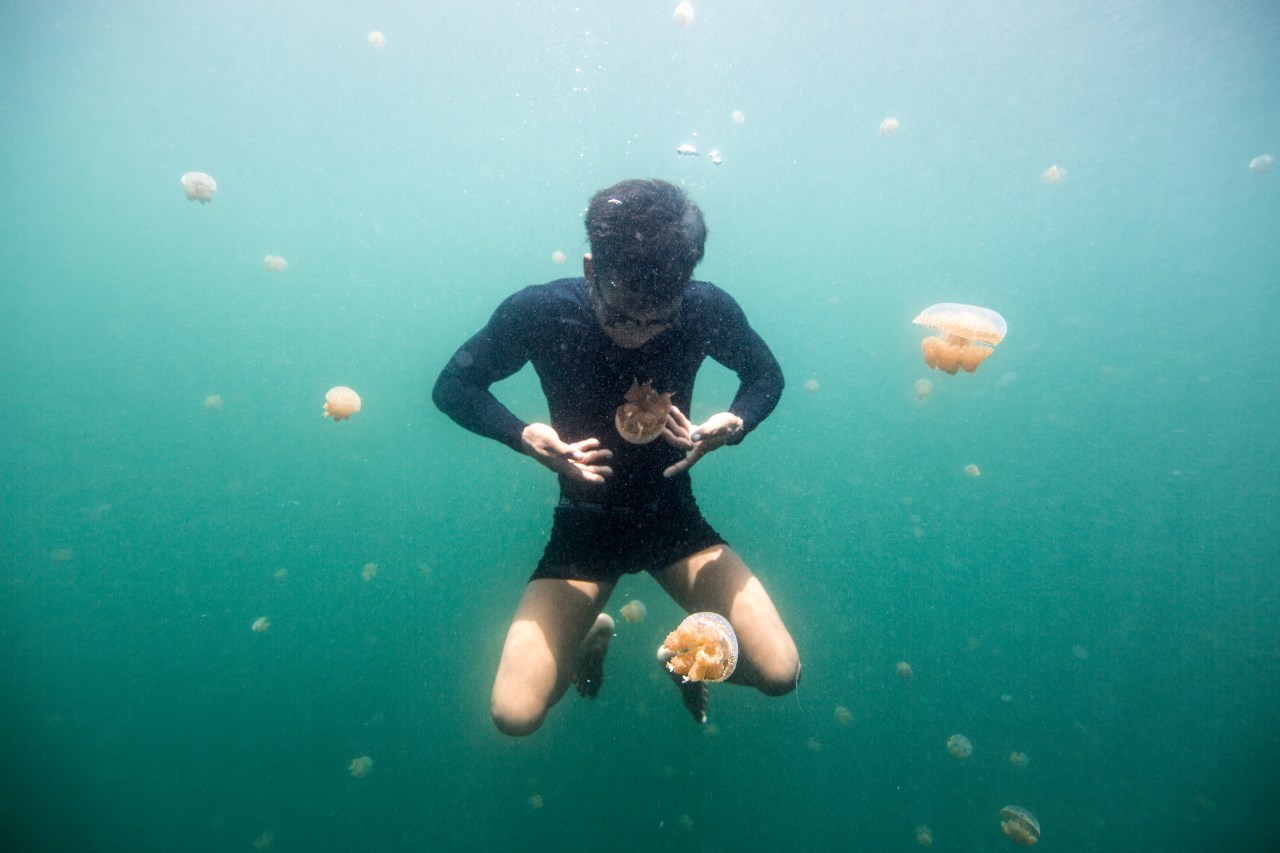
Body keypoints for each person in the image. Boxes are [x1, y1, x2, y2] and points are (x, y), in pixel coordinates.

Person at [433, 178, 800, 736]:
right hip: (585, 526)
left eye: (659, 320)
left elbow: (765, 375)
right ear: (589, 271)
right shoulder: (540, 312)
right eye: (623, 316)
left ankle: (683, 662)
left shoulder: (704, 310)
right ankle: (589, 638)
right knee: (514, 715)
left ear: (685, 289)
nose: (639, 334)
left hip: (673, 519)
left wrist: (737, 421)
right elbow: (454, 387)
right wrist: (521, 434)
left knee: (780, 672)